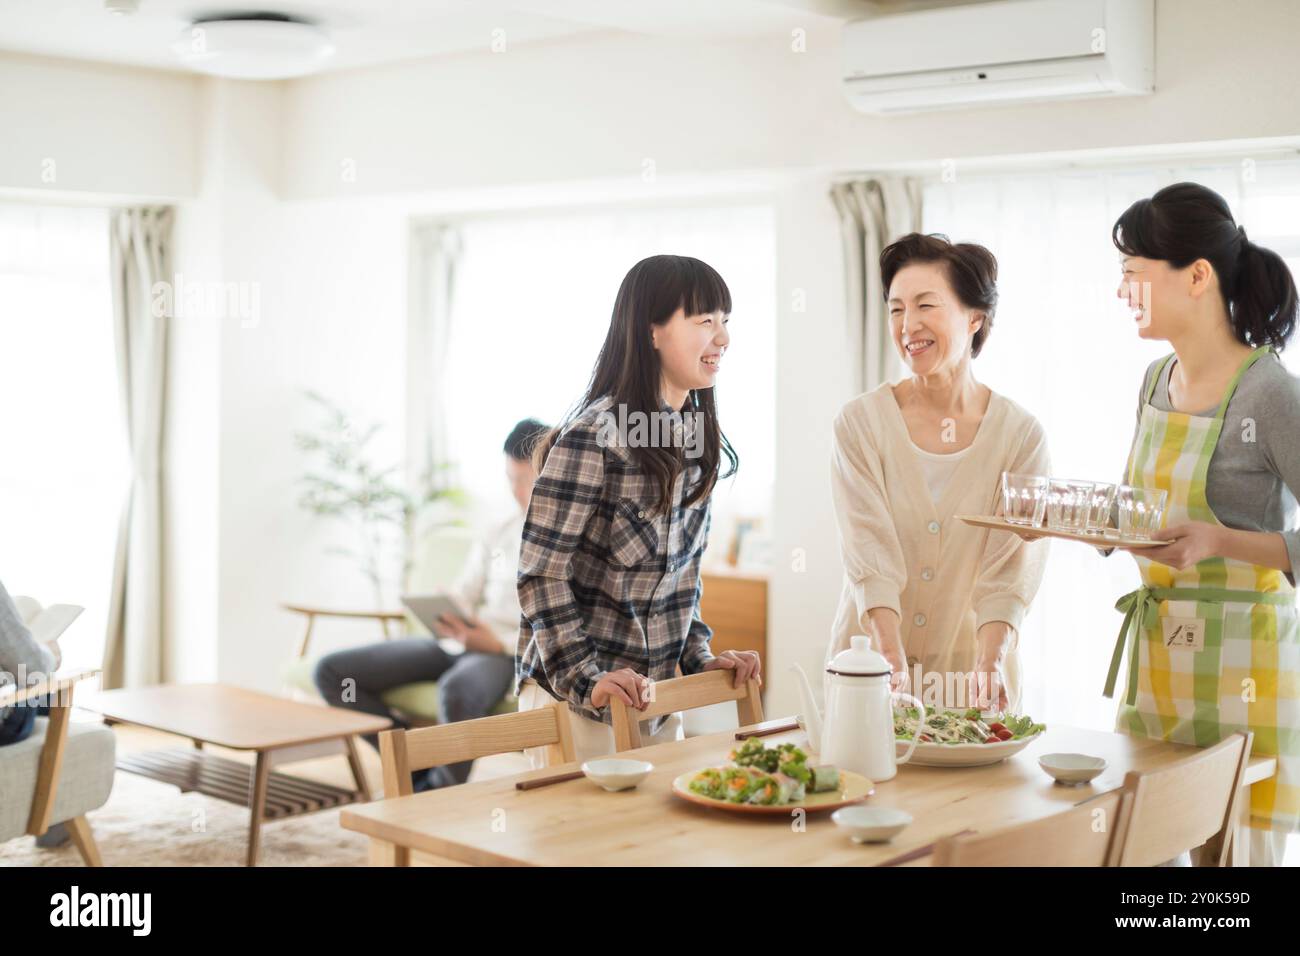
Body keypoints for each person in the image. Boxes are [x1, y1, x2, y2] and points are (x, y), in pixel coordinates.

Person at [1104, 182, 1300, 866]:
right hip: (1160, 663)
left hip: (1245, 668)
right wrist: (1109, 526)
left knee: (1232, 878)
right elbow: (1147, 510)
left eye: (1133, 274)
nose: (1123, 291)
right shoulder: (1155, 379)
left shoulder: (1269, 392)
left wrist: (1217, 541)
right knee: (1144, 863)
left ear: (1196, 276)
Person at [515, 254, 761, 765]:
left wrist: (701, 660)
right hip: (576, 707)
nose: (723, 338)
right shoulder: (594, 437)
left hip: (653, 704)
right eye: (705, 321)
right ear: (652, 332)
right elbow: (542, 575)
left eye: (726, 322)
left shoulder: (695, 440)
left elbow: (679, 582)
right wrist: (589, 679)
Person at [827, 233, 1049, 712]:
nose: (909, 325)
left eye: (926, 305)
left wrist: (991, 662)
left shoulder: (1020, 435)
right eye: (896, 309)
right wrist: (889, 656)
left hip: (971, 682)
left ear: (974, 317)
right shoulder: (860, 423)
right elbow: (869, 551)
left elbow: (1008, 571)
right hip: (870, 675)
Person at [314, 418, 548, 791]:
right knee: (333, 673)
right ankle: (414, 766)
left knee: (456, 691)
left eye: (526, 480)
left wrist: (499, 644)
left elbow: (558, 626)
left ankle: (434, 794)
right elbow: (466, 590)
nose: (518, 492)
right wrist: (444, 607)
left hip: (503, 654)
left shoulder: (564, 538)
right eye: (511, 480)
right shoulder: (498, 529)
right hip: (459, 638)